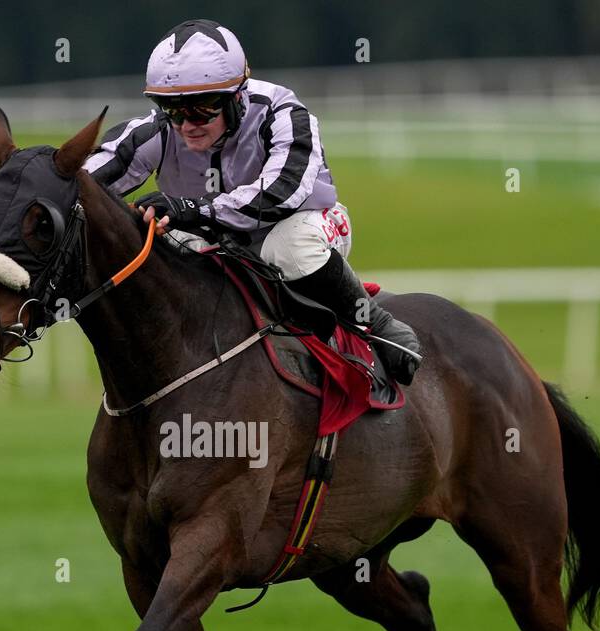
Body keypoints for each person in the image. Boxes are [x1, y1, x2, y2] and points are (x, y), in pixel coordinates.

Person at [84, 19, 422, 384]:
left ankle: (374, 320)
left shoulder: (285, 115)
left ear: (236, 96)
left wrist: (195, 209)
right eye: (175, 110)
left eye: (202, 109)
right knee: (162, 248)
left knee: (289, 248)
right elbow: (84, 183)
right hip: (213, 235)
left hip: (300, 223)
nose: (187, 125)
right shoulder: (159, 130)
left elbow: (281, 191)